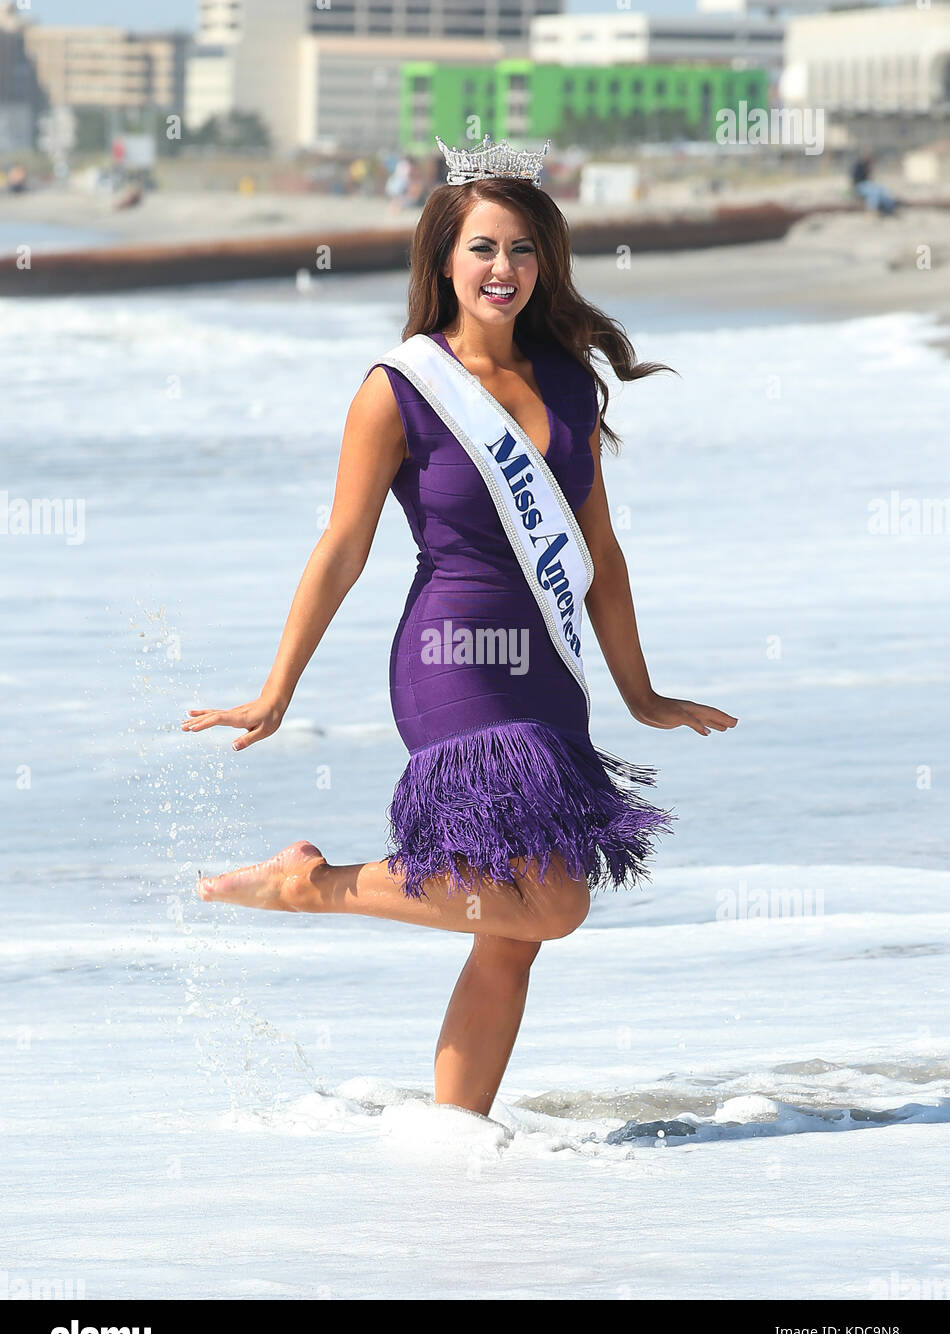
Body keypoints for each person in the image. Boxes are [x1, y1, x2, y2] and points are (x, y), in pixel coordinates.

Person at [183, 133, 737, 1118]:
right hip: (453, 654)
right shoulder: (397, 387)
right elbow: (341, 546)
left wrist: (638, 691)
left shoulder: (569, 381)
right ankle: (316, 887)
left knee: (512, 927)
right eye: (482, 248)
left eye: (522, 250)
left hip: (548, 666)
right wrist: (278, 687)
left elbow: (597, 553)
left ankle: (456, 1145)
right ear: (443, 259)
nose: (503, 269)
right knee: (555, 901)